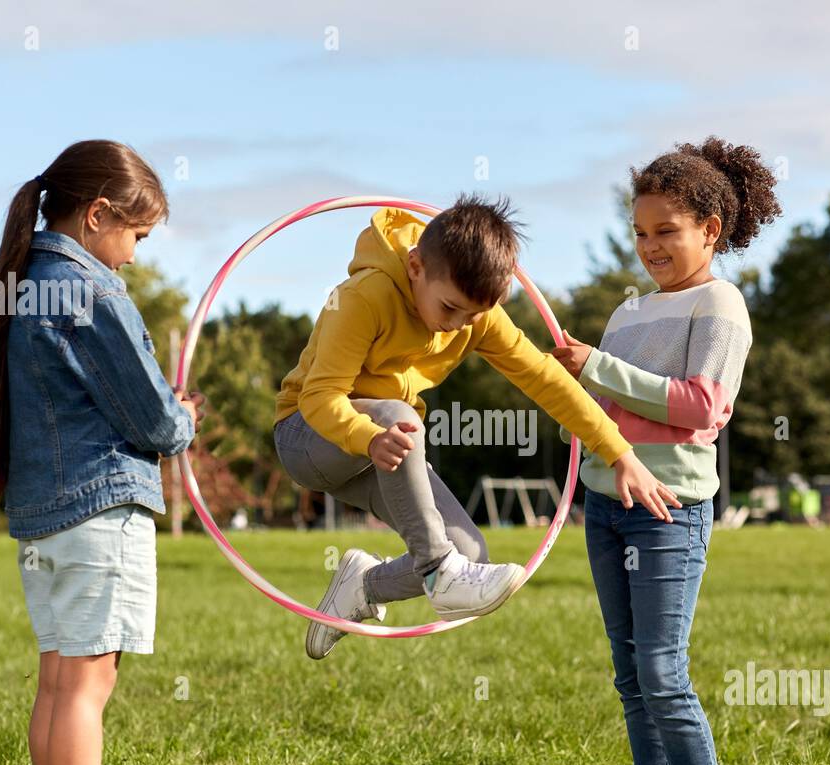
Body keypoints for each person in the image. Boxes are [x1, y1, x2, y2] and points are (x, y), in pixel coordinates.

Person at [273, 194, 680, 660]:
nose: (458, 327)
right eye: (450, 309)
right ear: (414, 267)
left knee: (469, 551)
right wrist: (369, 437)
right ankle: (438, 571)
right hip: (309, 437)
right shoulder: (364, 297)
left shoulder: (475, 316)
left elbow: (544, 378)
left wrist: (619, 452)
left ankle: (362, 586)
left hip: (381, 449)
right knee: (403, 422)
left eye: (473, 315)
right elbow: (320, 397)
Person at [0, 140, 207, 765]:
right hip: (99, 511)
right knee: (86, 689)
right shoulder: (93, 290)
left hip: (45, 518)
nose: (133, 255)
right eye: (135, 235)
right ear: (98, 214)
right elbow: (154, 421)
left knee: (58, 684)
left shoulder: (30, 278)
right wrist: (184, 414)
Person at [552, 137, 783, 765]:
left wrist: (599, 371)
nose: (650, 247)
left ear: (710, 231)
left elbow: (700, 407)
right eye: (641, 233)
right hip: (605, 507)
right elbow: (607, 411)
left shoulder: (721, 305)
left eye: (667, 232)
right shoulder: (628, 314)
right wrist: (573, 387)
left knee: (660, 668)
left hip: (668, 511)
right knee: (631, 676)